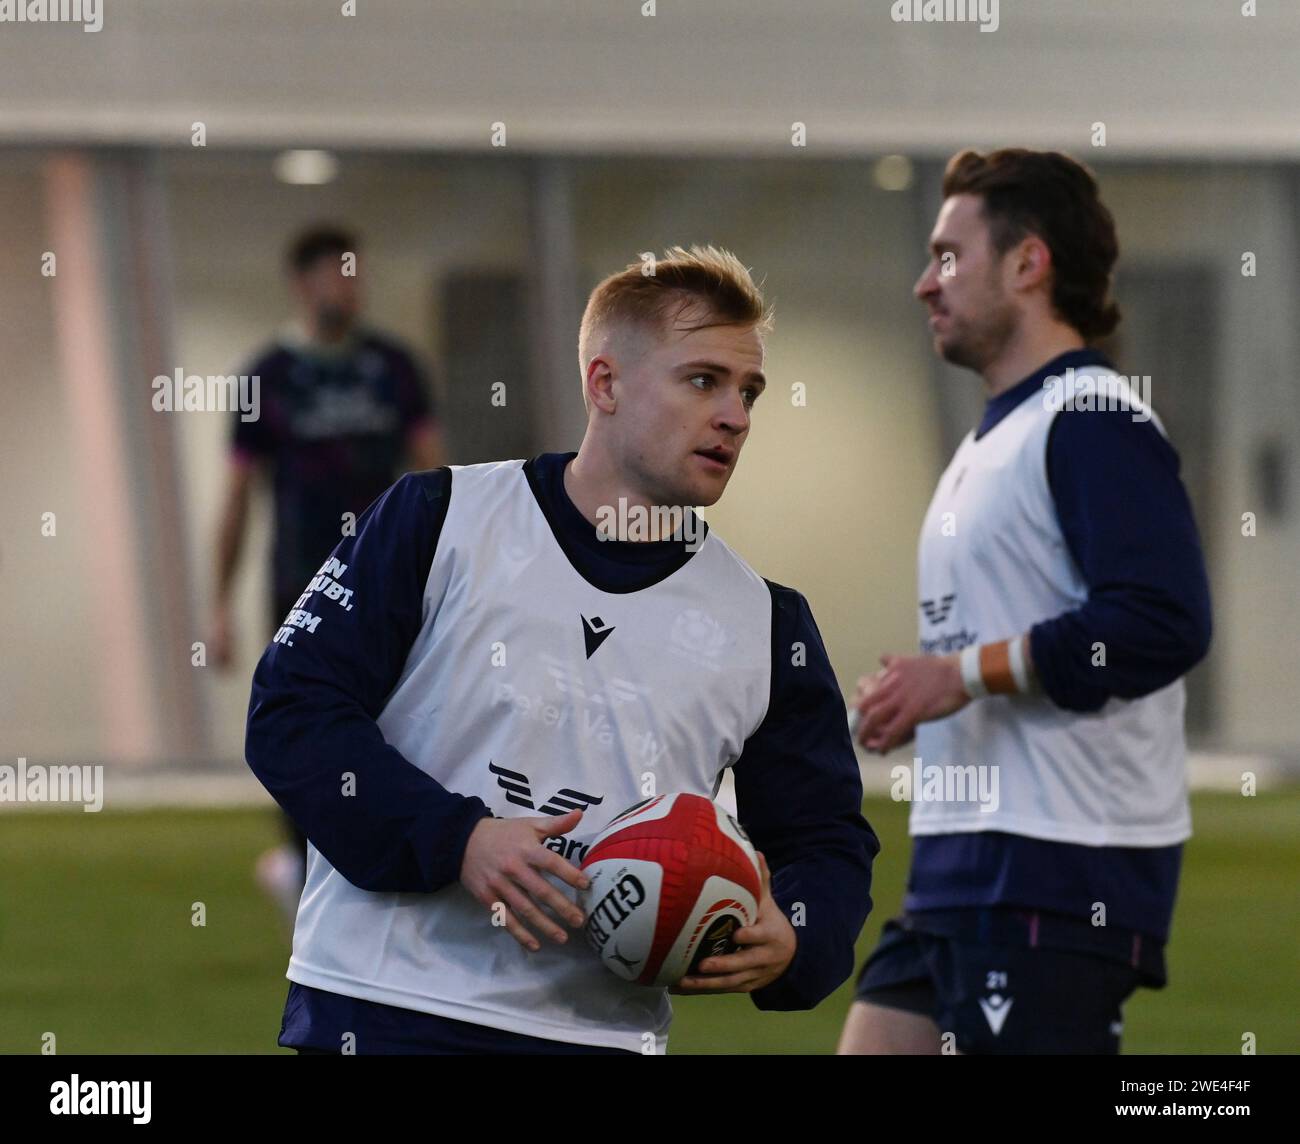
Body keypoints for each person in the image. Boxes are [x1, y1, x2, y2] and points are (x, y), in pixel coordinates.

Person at [243, 244, 879, 1054]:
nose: (736, 415)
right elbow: (292, 714)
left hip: (600, 1036)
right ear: (604, 383)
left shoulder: (766, 623)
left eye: (748, 391)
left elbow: (825, 838)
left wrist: (795, 936)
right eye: (702, 380)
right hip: (381, 1006)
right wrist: (459, 839)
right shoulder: (437, 519)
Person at [839, 150, 1212, 1055]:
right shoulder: (997, 435)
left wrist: (959, 677)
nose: (925, 283)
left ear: (1028, 263)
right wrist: (926, 690)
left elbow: (1163, 620)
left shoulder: (1095, 419)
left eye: (948, 256)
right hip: (963, 864)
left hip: (1057, 868)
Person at [210, 224, 444, 920]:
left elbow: (433, 472)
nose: (351, 285)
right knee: (303, 725)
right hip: (302, 585)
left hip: (391, 582)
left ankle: (379, 869)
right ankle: (303, 867)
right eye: (337, 273)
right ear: (302, 281)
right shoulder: (266, 377)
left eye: (356, 272)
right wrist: (217, 606)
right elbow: (237, 496)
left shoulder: (395, 367)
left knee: (396, 723)